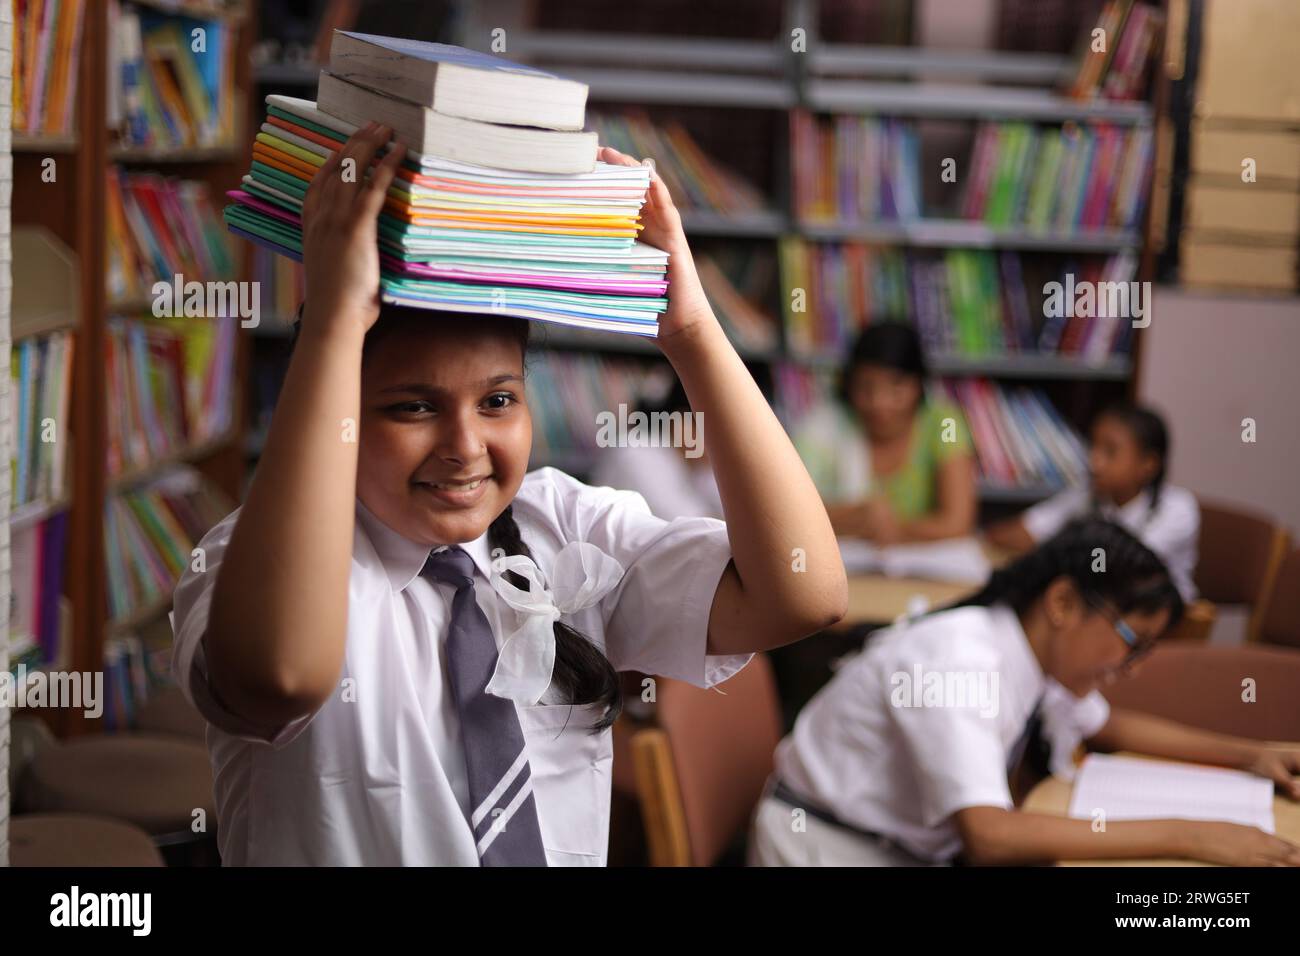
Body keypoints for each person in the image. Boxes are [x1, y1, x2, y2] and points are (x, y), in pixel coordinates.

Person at [170, 124, 847, 865]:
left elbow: (803, 593)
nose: (466, 447)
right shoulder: (246, 561)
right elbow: (280, 676)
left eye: (497, 402)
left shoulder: (558, 523)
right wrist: (334, 319)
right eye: (413, 407)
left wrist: (691, 332)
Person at [750, 518, 1300, 866]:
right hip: (828, 849)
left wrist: (1250, 754)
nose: (1131, 669)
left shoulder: (1032, 648)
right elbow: (991, 837)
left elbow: (1109, 726)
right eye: (1132, 642)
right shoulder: (960, 664)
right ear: (1062, 603)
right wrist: (1194, 836)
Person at [987, 402, 1199, 600]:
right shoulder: (1088, 495)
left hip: (1167, 624)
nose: (1094, 461)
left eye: (1110, 451)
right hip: (1102, 609)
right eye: (1093, 446)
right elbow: (1024, 530)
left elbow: (1116, 566)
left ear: (1148, 464)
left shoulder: (1178, 510)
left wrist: (1062, 551)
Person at [794, 322, 977, 544]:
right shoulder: (823, 427)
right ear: (849, 385)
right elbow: (792, 510)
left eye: (896, 386)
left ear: (919, 385)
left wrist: (890, 530)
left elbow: (957, 523)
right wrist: (854, 515)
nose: (880, 403)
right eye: (866, 387)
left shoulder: (943, 423)